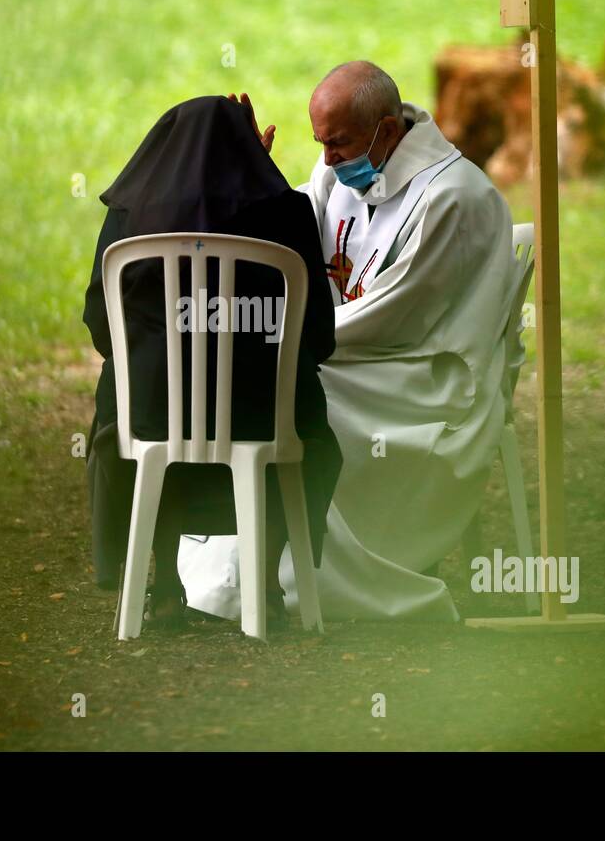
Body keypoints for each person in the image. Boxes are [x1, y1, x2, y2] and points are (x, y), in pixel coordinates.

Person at [179, 62, 519, 621]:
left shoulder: (454, 197)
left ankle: (282, 577)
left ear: (386, 130)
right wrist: (254, 176)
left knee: (285, 393)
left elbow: (396, 316)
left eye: (338, 143)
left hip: (421, 380)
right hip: (355, 359)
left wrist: (288, 337)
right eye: (321, 143)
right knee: (269, 384)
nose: (329, 159)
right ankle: (243, 574)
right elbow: (292, 238)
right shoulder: (339, 170)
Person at [83, 95, 342, 628]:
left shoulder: (127, 215)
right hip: (264, 419)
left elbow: (101, 327)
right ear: (252, 151)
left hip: (152, 423)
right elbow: (319, 335)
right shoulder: (287, 211)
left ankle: (166, 586)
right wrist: (258, 173)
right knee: (298, 401)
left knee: (125, 392)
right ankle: (267, 584)